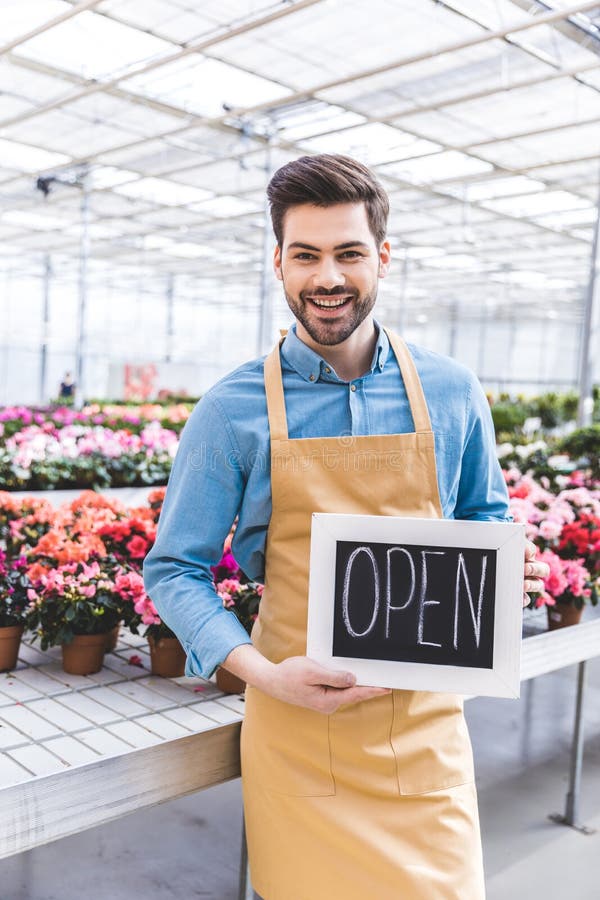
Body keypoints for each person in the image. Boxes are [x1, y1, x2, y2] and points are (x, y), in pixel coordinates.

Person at [143, 154, 549, 900]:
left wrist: (504, 579)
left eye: (349, 253)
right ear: (278, 263)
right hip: (297, 732)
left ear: (383, 259)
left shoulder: (453, 392)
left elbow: (487, 524)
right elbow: (175, 569)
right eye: (306, 255)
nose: (327, 276)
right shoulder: (232, 410)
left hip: (427, 737)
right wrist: (263, 675)